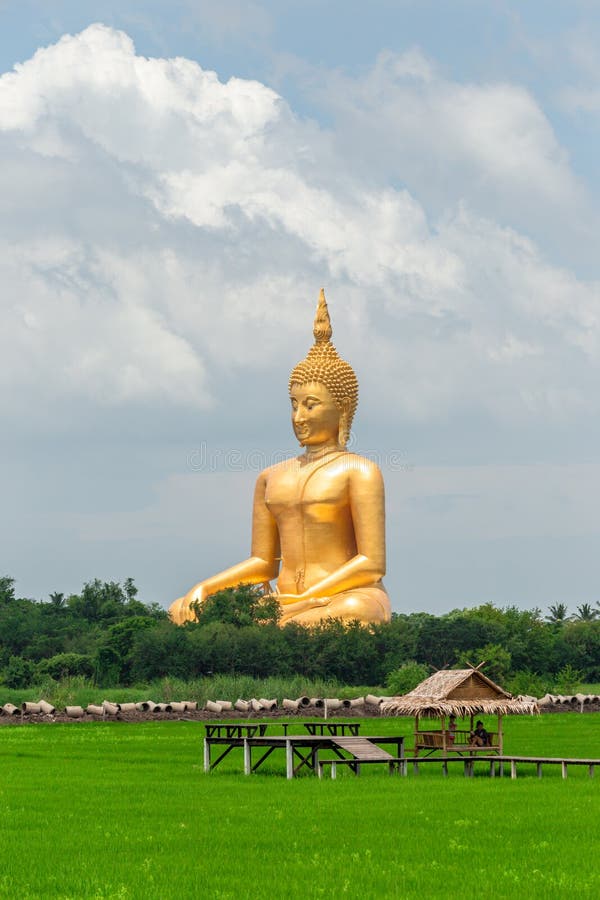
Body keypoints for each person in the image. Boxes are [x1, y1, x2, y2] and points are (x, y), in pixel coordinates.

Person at [169, 289, 392, 627]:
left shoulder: (359, 471)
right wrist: (204, 587)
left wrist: (309, 598)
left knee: (357, 615)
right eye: (293, 404)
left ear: (342, 408)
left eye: (311, 405)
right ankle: (281, 624)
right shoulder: (270, 477)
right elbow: (263, 563)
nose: (299, 416)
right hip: (284, 603)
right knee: (181, 611)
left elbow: (372, 564)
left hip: (343, 597)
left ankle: (281, 625)